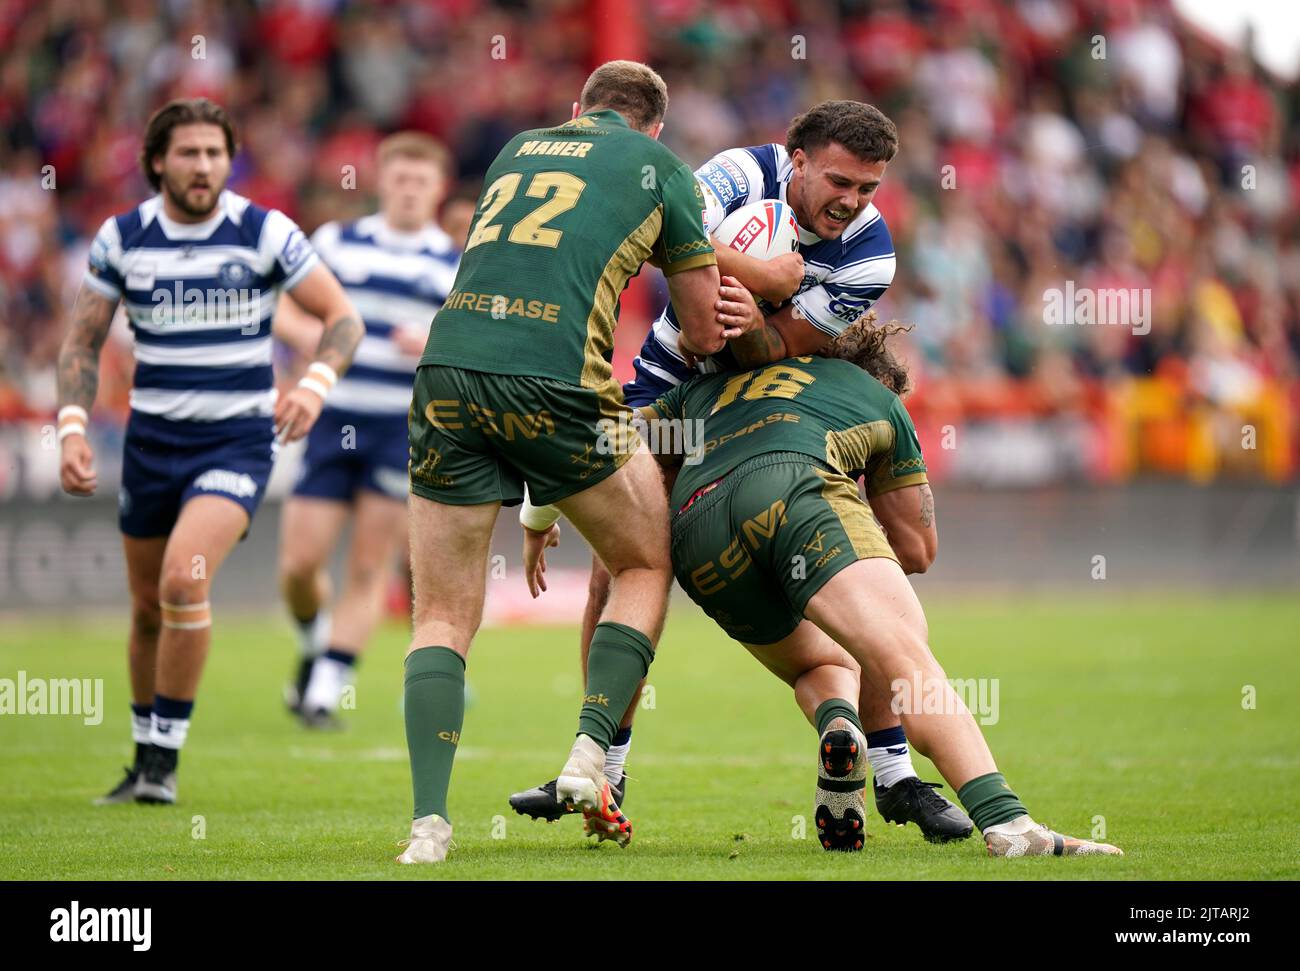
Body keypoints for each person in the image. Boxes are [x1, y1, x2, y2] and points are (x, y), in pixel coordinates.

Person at [510, 101, 972, 843]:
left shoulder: (870, 254)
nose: (851, 202)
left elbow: (774, 345)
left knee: (864, 571)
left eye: (868, 189)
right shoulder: (732, 172)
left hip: (766, 401)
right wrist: (765, 271)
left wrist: (745, 308)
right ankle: (606, 764)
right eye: (840, 181)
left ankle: (895, 774)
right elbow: (660, 235)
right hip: (666, 391)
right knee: (620, 565)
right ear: (794, 159)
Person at [526, 319, 1122, 857]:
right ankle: (1008, 823)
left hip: (698, 530)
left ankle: (840, 722)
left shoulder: (701, 391)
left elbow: (608, 448)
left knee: (820, 664)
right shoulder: (873, 397)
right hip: (798, 493)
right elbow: (917, 549)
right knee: (902, 652)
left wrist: (540, 517)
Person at [396, 60, 741, 864]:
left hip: (447, 375)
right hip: (559, 388)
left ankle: (428, 827)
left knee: (440, 615)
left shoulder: (518, 148)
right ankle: (591, 756)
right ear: (654, 126)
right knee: (643, 560)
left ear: (576, 108)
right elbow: (699, 330)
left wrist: (537, 507)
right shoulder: (662, 167)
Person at [58, 97, 362, 805]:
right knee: (144, 609)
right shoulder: (123, 237)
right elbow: (80, 342)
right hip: (150, 443)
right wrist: (72, 425)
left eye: (215, 153)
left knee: (182, 583)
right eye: (189, 153)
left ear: (231, 161)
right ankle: (143, 754)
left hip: (236, 441)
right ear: (158, 160)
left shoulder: (265, 231)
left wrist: (314, 386)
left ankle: (163, 765)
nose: (203, 166)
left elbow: (340, 316)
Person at [276, 132, 460, 728]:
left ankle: (325, 692)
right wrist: (318, 338)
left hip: (400, 427)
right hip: (332, 417)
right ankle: (313, 648)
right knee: (299, 566)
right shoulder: (337, 241)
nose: (409, 191)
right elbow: (282, 305)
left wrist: (439, 341)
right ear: (381, 182)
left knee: (368, 564)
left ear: (438, 188)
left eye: (421, 181)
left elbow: (473, 343)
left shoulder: (455, 262)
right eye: (400, 179)